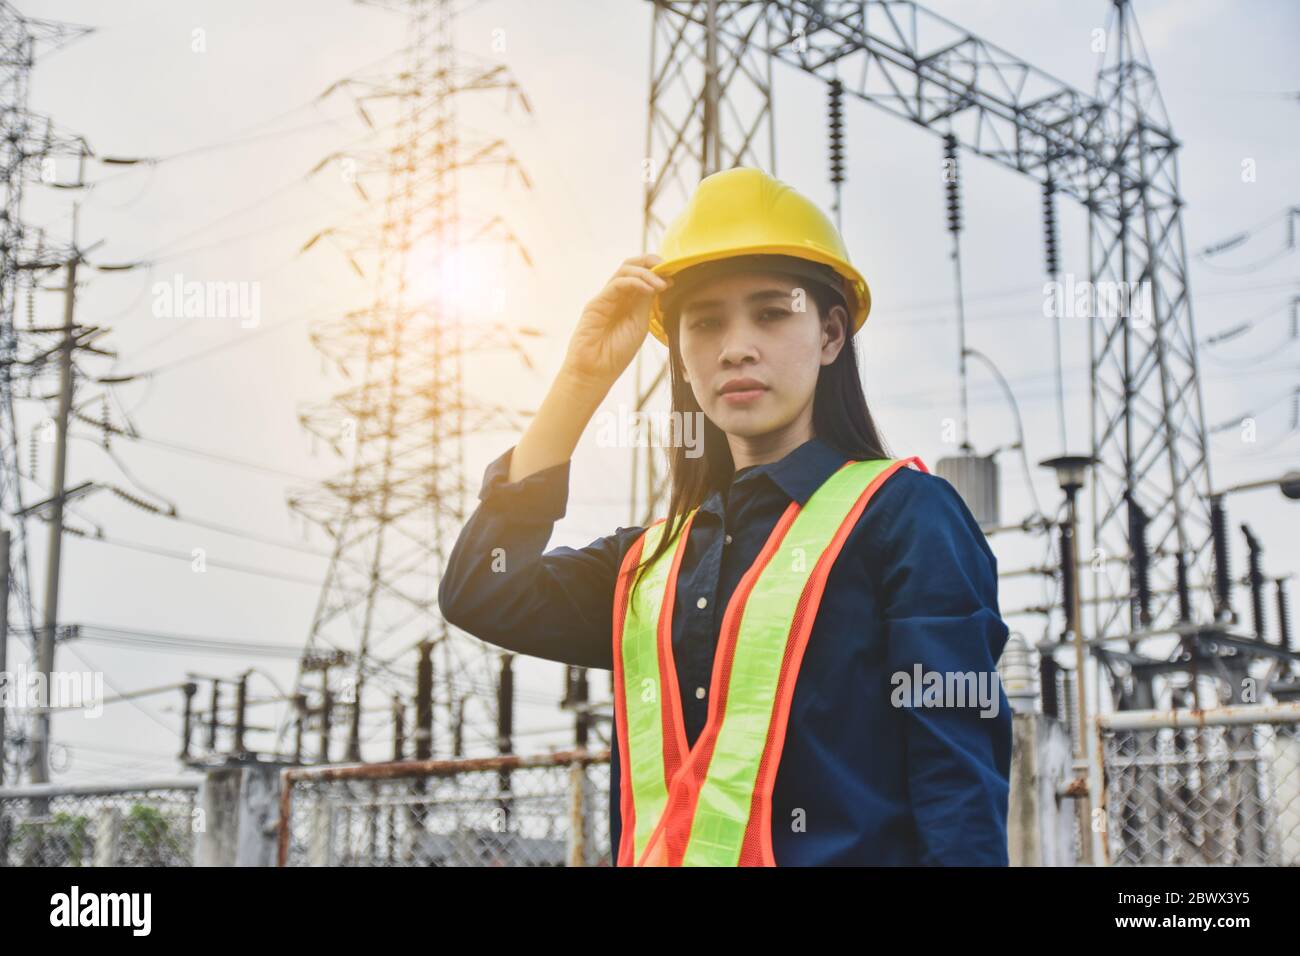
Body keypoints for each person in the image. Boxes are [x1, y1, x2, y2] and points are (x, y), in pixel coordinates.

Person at [439, 166, 1012, 866]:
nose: (736, 345)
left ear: (831, 335)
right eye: (705, 322)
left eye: (772, 312)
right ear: (681, 356)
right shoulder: (653, 565)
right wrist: (581, 381)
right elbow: (482, 589)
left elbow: (958, 789)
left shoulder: (907, 519)